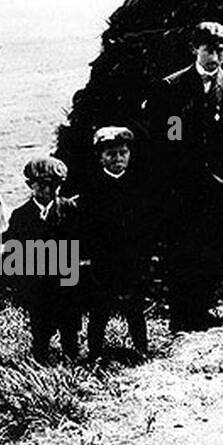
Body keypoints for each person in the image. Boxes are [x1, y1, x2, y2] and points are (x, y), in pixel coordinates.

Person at [145, 21, 223, 332]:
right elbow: (168, 136)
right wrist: (180, 172)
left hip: (221, 183)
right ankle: (181, 315)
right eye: (209, 50)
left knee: (213, 247)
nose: (215, 58)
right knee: (182, 249)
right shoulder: (173, 88)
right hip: (185, 185)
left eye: (221, 51)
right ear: (195, 49)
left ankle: (202, 309)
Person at [4, 155, 82, 362]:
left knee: (69, 329)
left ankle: (72, 365)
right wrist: (20, 284)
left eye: (56, 184)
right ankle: (41, 364)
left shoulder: (69, 209)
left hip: (66, 281)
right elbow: (12, 253)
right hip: (37, 284)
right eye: (44, 184)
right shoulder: (21, 216)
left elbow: (80, 243)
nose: (50, 190)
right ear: (31, 185)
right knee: (40, 331)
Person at [80, 128, 150, 357]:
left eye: (123, 153)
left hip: (132, 258)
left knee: (135, 307)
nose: (118, 159)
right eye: (111, 154)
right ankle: (95, 353)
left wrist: (146, 252)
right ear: (100, 157)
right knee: (100, 309)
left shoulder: (138, 185)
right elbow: (86, 227)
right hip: (104, 260)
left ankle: (141, 348)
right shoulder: (91, 189)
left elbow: (146, 223)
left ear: (130, 154)